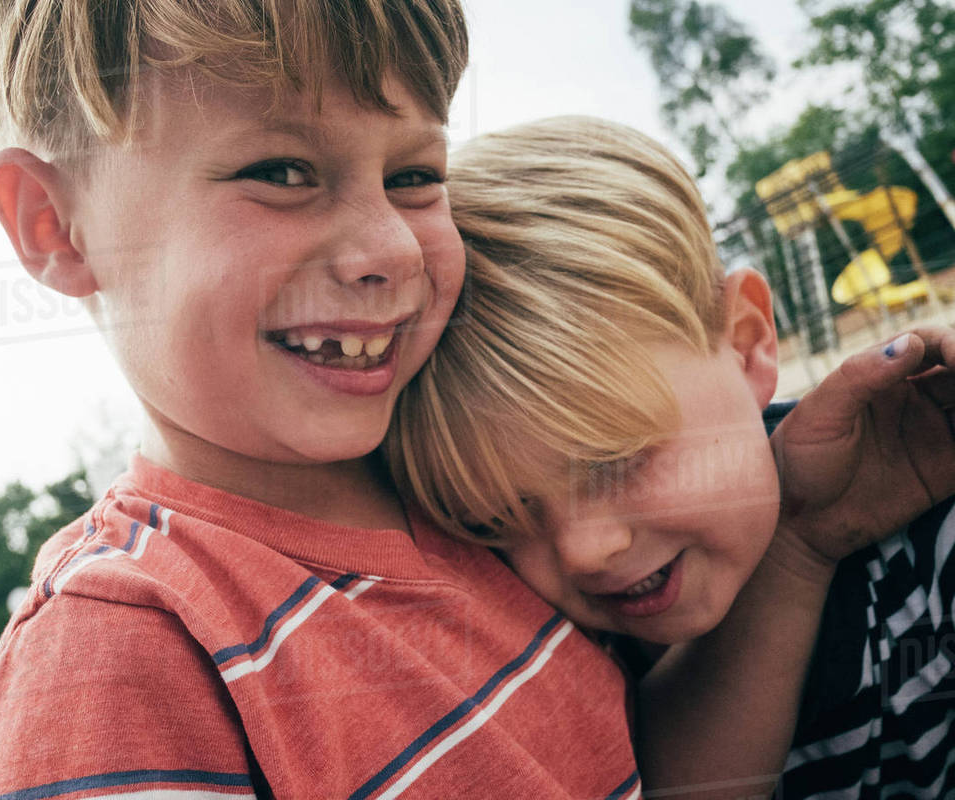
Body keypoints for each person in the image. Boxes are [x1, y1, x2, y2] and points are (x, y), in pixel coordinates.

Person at [0, 5, 649, 799]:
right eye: (281, 173)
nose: (391, 248)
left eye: (414, 177)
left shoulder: (484, 492)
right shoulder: (114, 657)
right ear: (56, 227)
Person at [386, 115, 955, 797]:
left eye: (613, 459)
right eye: (492, 518)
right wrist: (795, 550)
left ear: (746, 343)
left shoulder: (929, 508)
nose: (585, 551)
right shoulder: (545, 663)